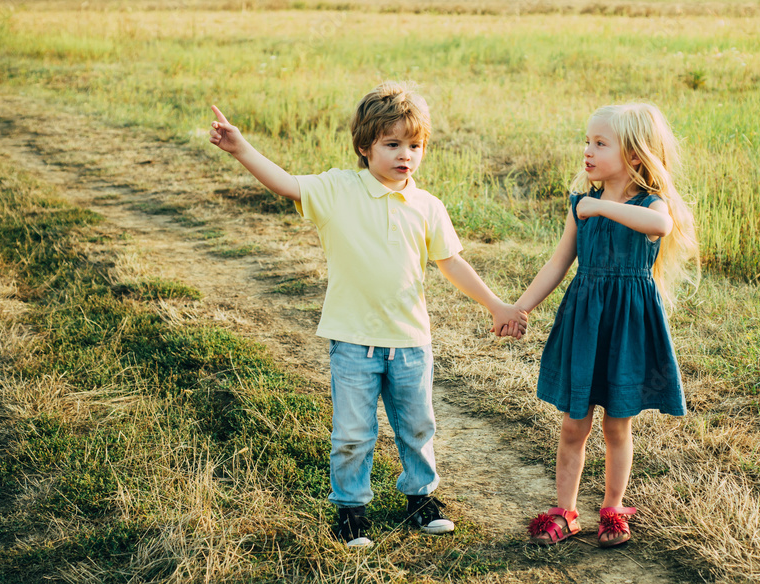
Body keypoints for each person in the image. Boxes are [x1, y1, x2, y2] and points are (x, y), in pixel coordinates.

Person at [208, 82, 527, 547]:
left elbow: (451, 262)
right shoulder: (338, 189)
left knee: (418, 428)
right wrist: (241, 149)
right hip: (354, 341)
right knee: (353, 434)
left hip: (411, 342)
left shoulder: (427, 206)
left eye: (415, 146)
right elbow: (285, 183)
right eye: (392, 144)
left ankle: (421, 499)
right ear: (365, 146)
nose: (406, 155)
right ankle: (351, 510)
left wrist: (496, 304)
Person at [510, 103, 698, 547]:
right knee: (574, 423)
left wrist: (602, 208)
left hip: (628, 329)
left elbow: (661, 223)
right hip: (586, 323)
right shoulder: (582, 206)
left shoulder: (647, 204)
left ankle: (614, 509)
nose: (588, 152)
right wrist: (521, 308)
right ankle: (565, 511)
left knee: (618, 425)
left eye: (600, 143)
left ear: (634, 155)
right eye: (587, 142)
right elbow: (558, 264)